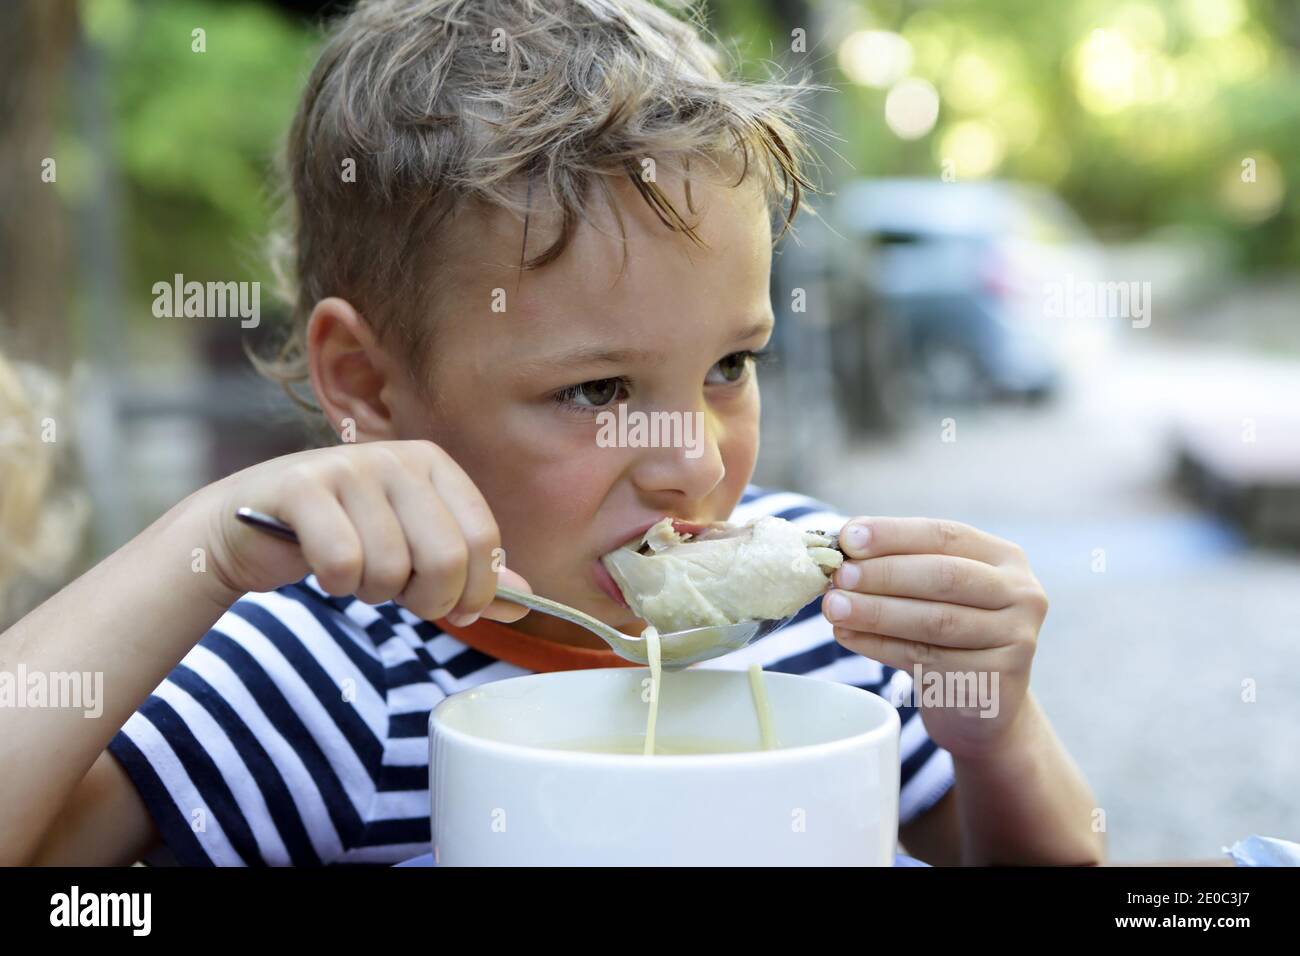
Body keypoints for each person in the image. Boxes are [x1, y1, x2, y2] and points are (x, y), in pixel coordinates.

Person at [0, 0, 1101, 866]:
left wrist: (988, 724)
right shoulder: (325, 674)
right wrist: (201, 546)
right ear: (369, 385)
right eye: (597, 389)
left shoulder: (833, 637)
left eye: (730, 365)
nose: (696, 462)